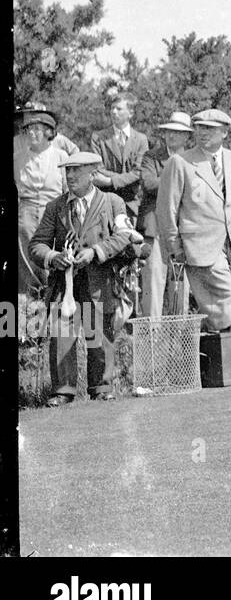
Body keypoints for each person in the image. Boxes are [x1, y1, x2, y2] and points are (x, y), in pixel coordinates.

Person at [30, 151, 135, 405]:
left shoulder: (112, 202)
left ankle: (102, 387)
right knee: (61, 335)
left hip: (100, 281)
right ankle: (63, 391)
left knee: (100, 334)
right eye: (68, 170)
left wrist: (96, 251)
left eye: (77, 169)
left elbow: (124, 235)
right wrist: (54, 257)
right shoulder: (55, 207)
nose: (70, 175)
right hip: (63, 285)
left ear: (93, 173)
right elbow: (36, 245)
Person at [156, 108, 231, 332]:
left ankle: (211, 364)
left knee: (217, 318)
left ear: (225, 132)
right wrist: (175, 248)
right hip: (199, 249)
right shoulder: (180, 162)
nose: (202, 133)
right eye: (198, 128)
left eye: (209, 128)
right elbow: (166, 209)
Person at [15, 105, 71, 327]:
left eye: (38, 129)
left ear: (49, 132)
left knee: (53, 264)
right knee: (27, 266)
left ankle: (54, 320)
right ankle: (27, 326)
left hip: (54, 214)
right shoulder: (17, 158)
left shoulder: (61, 156)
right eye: (28, 128)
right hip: (26, 215)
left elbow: (68, 190)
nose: (32, 133)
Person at [136, 111, 194, 319]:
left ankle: (180, 345)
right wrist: (178, 180)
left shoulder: (194, 159)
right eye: (169, 131)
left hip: (183, 231)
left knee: (180, 288)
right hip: (155, 229)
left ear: (187, 137)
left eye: (178, 133)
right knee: (153, 286)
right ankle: (151, 344)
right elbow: (149, 184)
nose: (171, 136)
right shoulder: (151, 156)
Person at [88, 95, 150, 225]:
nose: (114, 112)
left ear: (130, 113)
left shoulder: (141, 139)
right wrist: (126, 177)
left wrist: (110, 181)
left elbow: (139, 172)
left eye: (119, 109)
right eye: (112, 108)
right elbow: (97, 169)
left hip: (131, 204)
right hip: (104, 203)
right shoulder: (98, 138)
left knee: (130, 243)